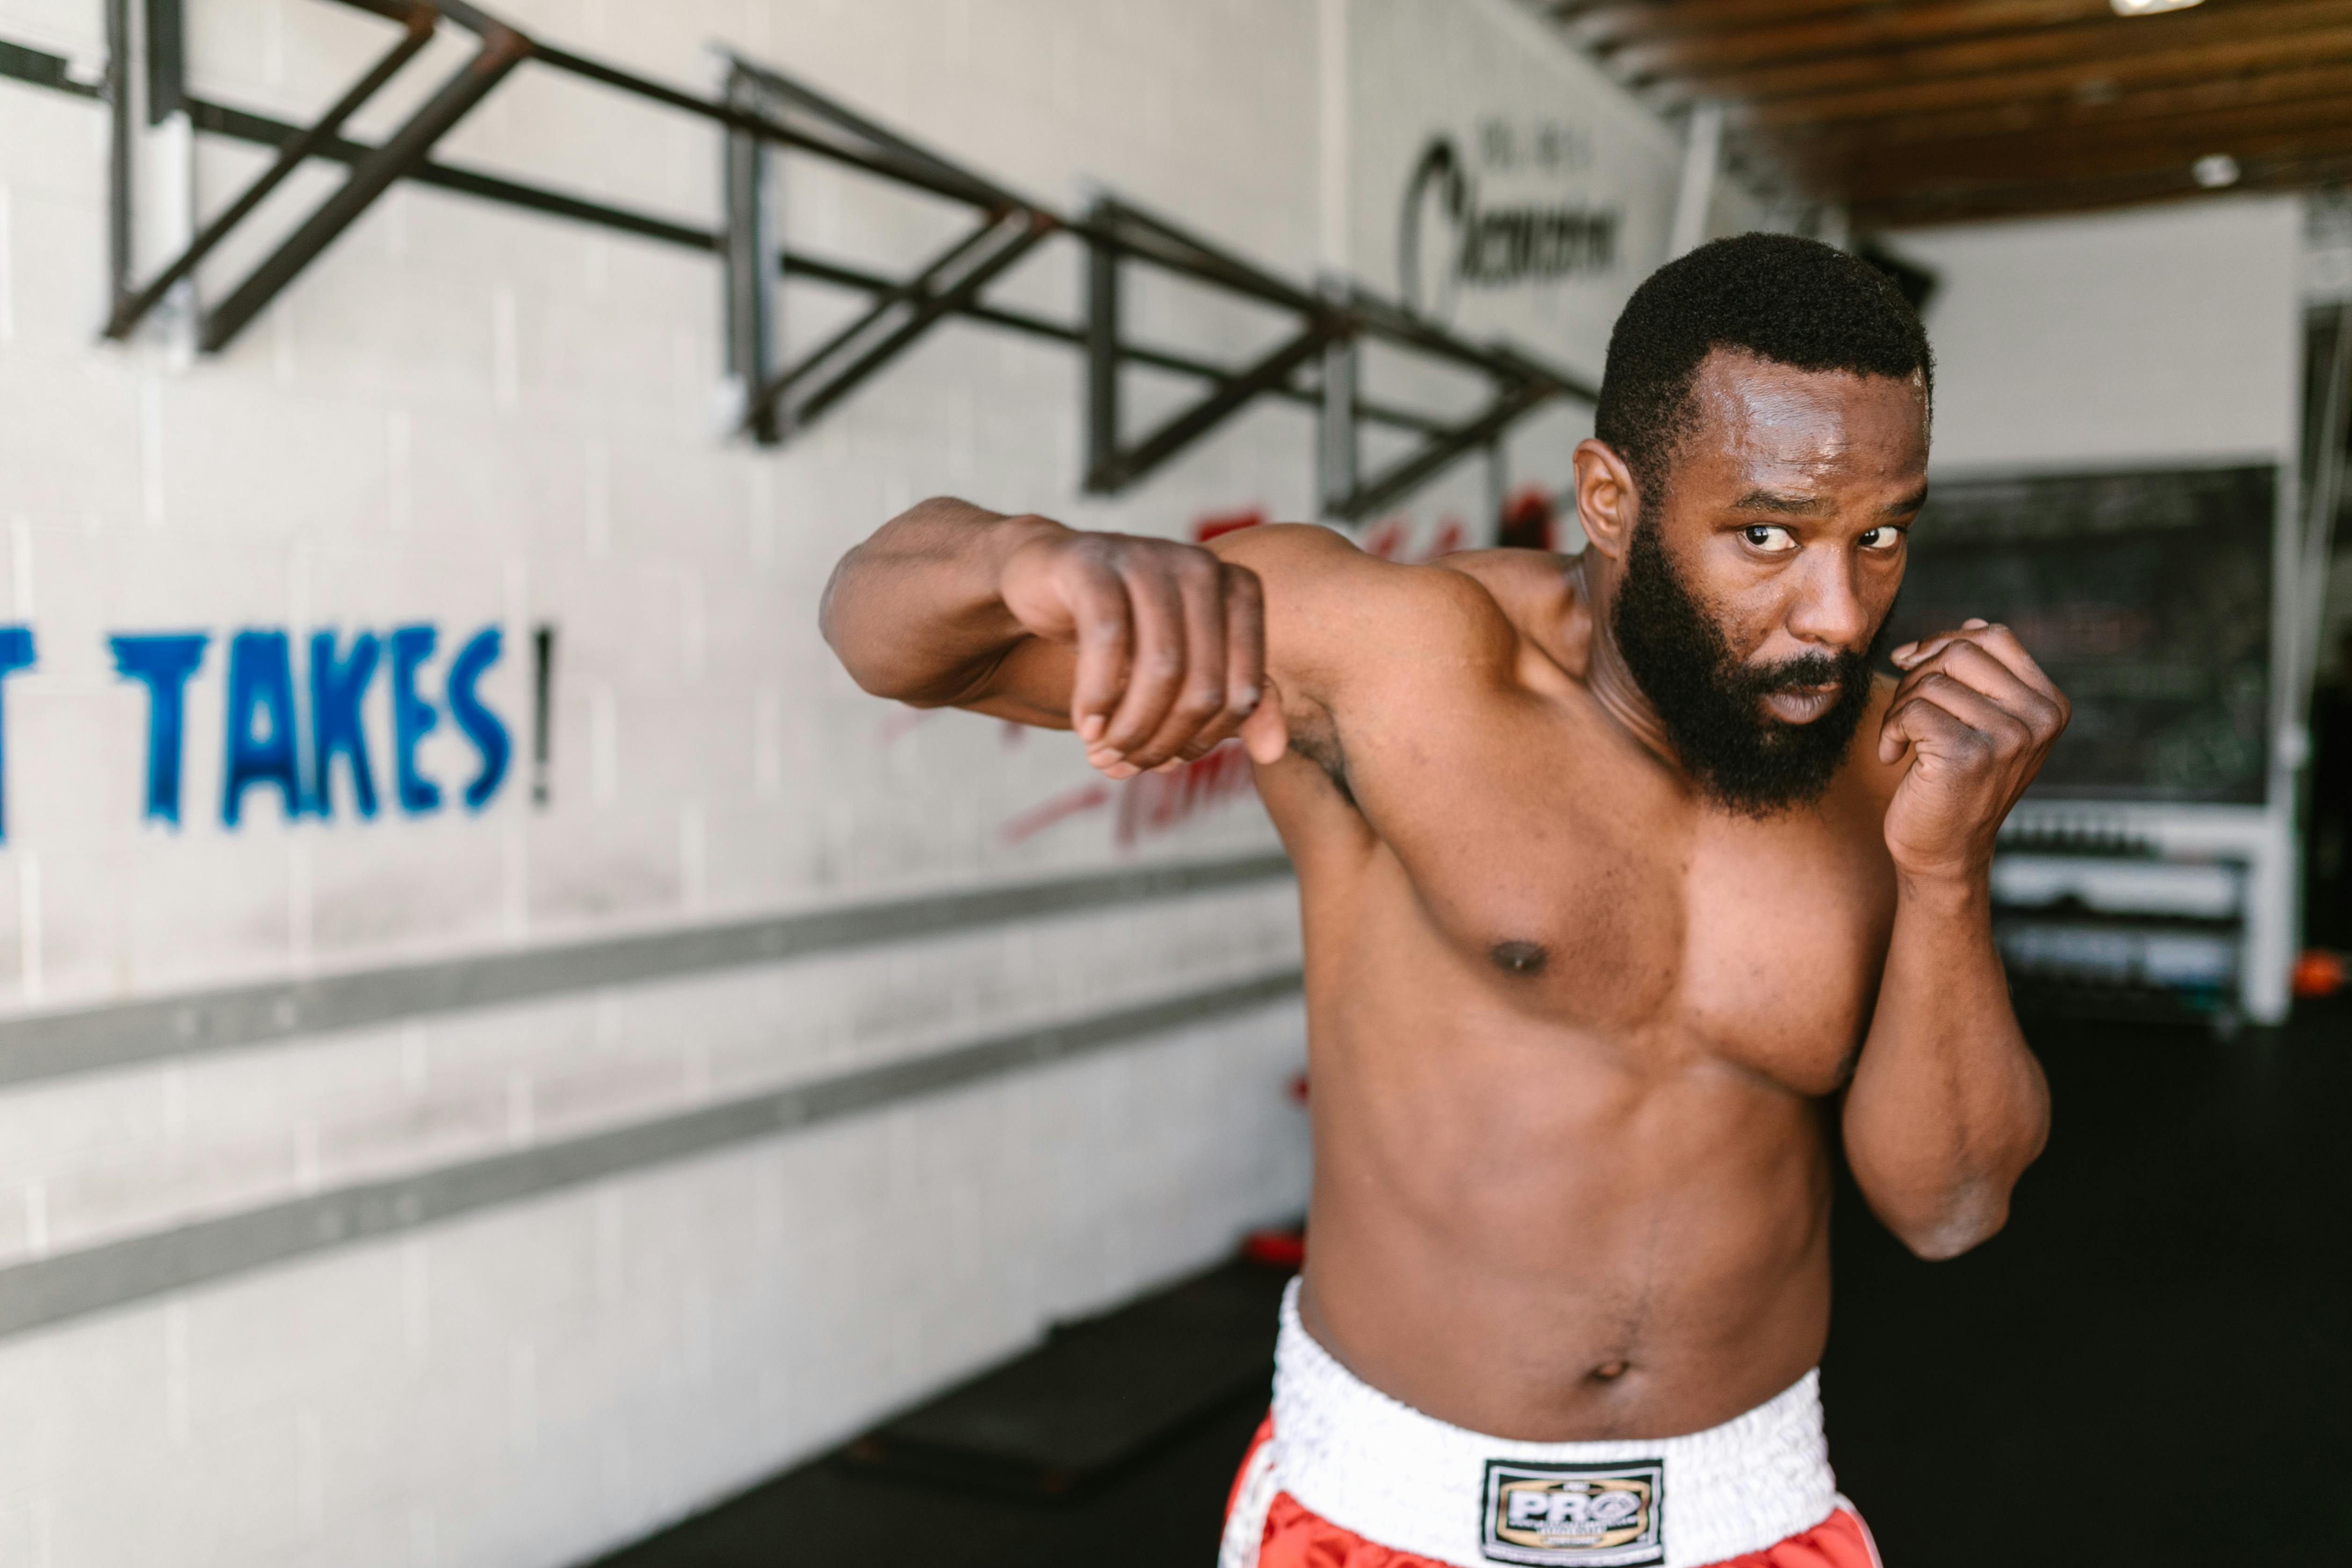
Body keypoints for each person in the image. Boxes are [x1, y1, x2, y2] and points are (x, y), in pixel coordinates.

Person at [819, 234, 2066, 1568]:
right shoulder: (1390, 656)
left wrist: (1946, 871)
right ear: (1609, 497)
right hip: (1387, 1506)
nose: (1834, 614)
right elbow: (875, 631)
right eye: (1766, 533)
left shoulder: (1894, 758)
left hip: (1744, 1511)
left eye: (1881, 535)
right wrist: (1025, 558)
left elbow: (1952, 1205)